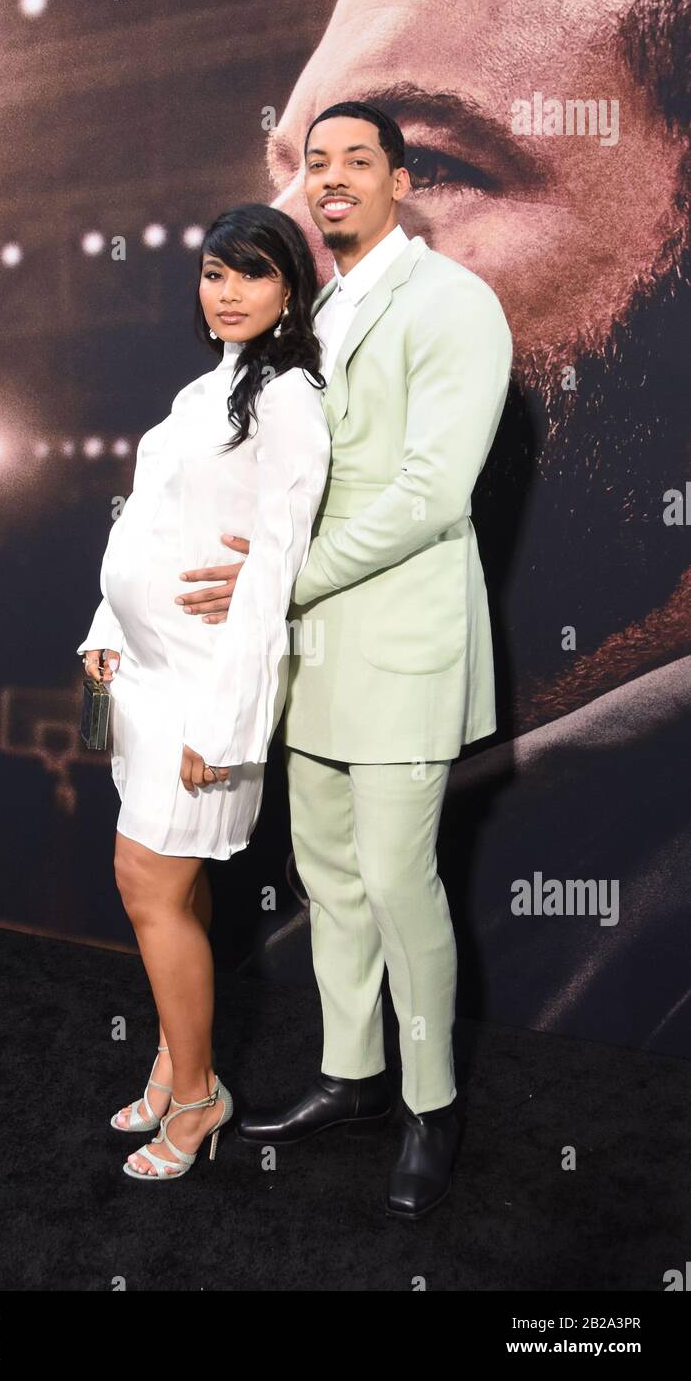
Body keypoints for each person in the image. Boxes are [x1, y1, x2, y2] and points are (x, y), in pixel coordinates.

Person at [174, 104, 512, 1218]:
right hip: (311, 656)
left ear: (399, 181)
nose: (329, 181)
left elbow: (429, 497)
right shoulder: (311, 310)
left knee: (401, 882)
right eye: (312, 162)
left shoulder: (454, 303)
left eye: (355, 163)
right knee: (326, 878)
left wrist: (275, 580)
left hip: (402, 646)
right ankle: (352, 1076)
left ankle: (429, 1102)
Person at [75, 204, 331, 1181]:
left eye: (250, 275)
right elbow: (144, 527)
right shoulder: (203, 391)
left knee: (146, 884)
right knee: (169, 887)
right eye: (214, 274)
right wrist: (106, 630)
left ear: (287, 290)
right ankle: (176, 1060)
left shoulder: (289, 399)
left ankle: (196, 1100)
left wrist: (228, 726)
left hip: (206, 685)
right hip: (143, 676)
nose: (227, 293)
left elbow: (272, 572)